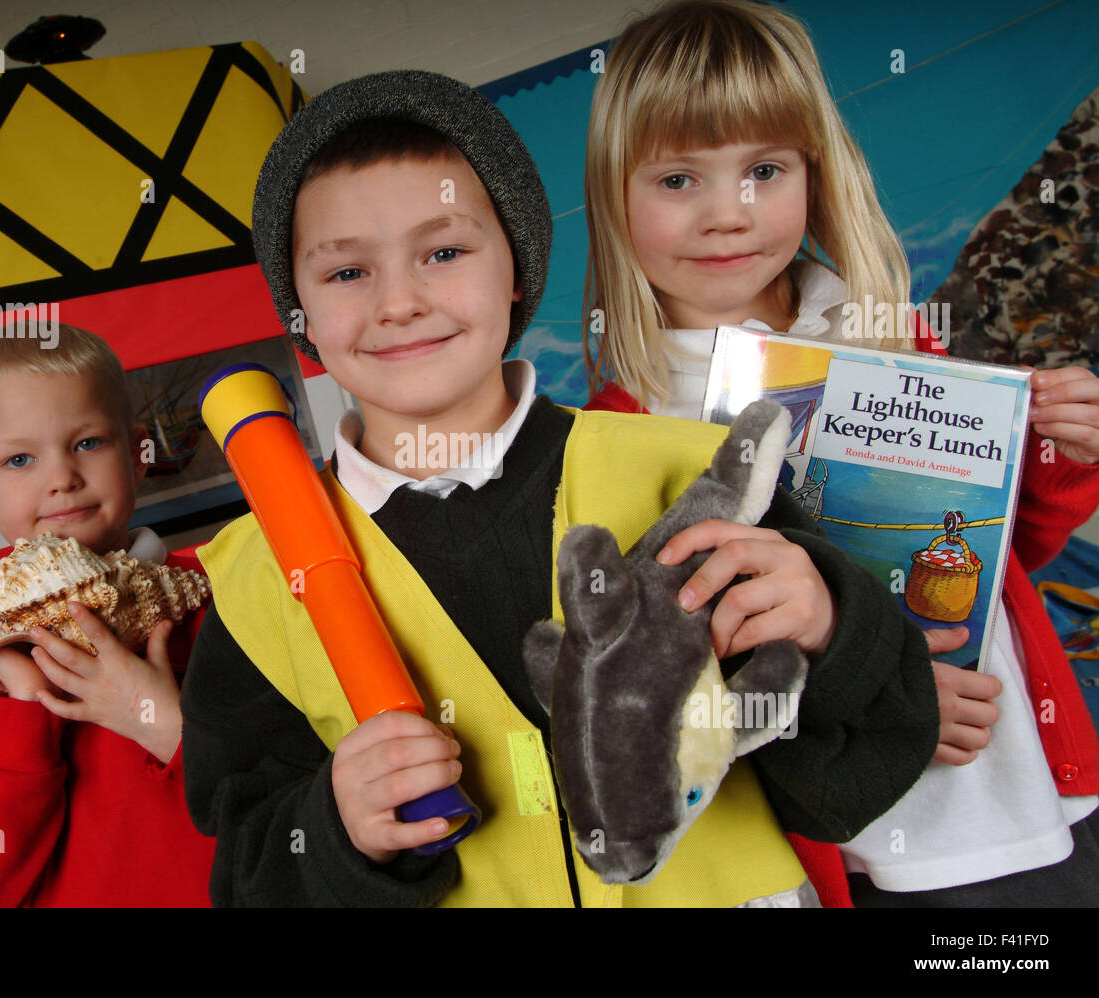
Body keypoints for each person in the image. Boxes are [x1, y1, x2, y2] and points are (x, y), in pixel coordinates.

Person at [181, 68, 939, 907]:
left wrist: (829, 625)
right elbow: (250, 867)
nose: (398, 302)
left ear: (517, 269)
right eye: (347, 273)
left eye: (443, 252)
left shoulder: (683, 471)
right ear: (302, 318)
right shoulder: (255, 585)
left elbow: (856, 782)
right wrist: (338, 826)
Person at [582, 0, 1099, 905]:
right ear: (611, 195)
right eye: (676, 181)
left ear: (816, 174)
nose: (726, 216)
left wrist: (1060, 456)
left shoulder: (892, 339)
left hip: (1013, 796)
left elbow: (999, 556)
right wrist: (881, 697)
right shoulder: (619, 425)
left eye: (765, 169)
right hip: (850, 837)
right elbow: (688, 685)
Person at [0, 324, 215, 906]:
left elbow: (292, 791)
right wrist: (19, 710)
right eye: (19, 459)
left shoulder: (221, 591)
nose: (62, 478)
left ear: (139, 451)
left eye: (88, 443)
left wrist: (165, 723)